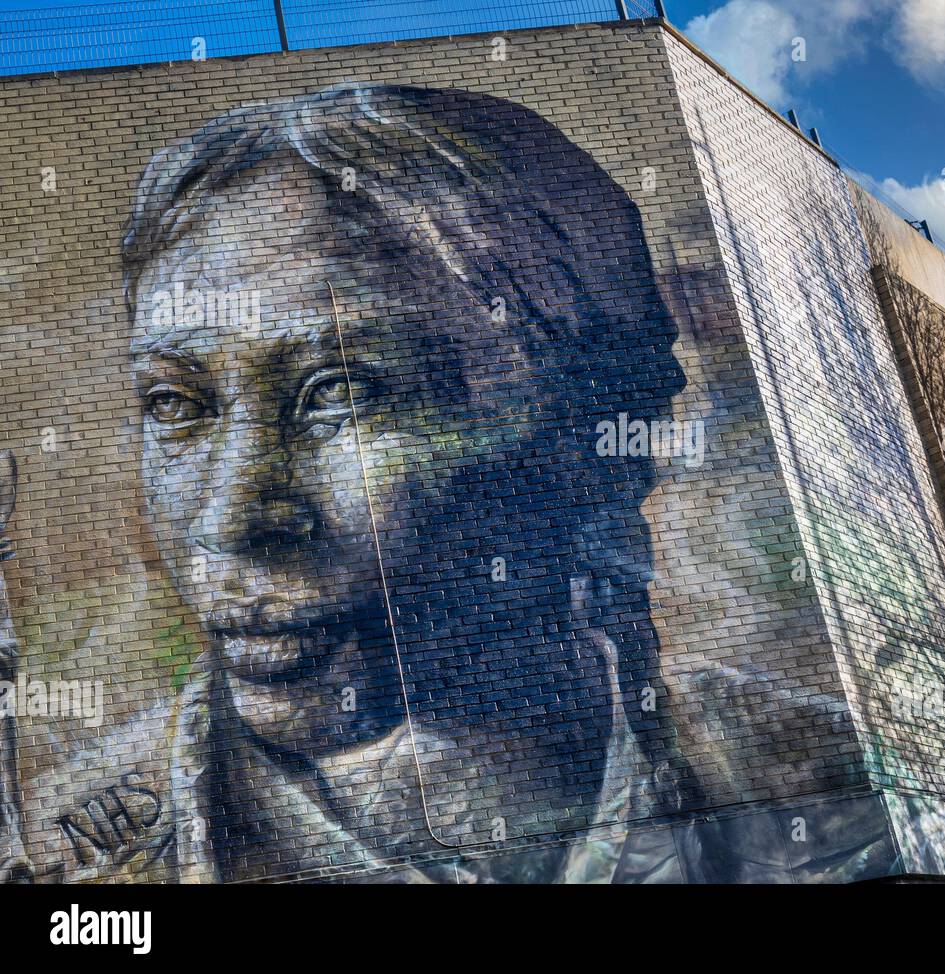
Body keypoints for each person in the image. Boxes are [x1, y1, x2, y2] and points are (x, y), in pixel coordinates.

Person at [19, 84, 701, 883]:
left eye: (343, 391)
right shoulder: (55, 863)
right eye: (176, 404)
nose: (232, 519)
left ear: (582, 436)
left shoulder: (797, 775)